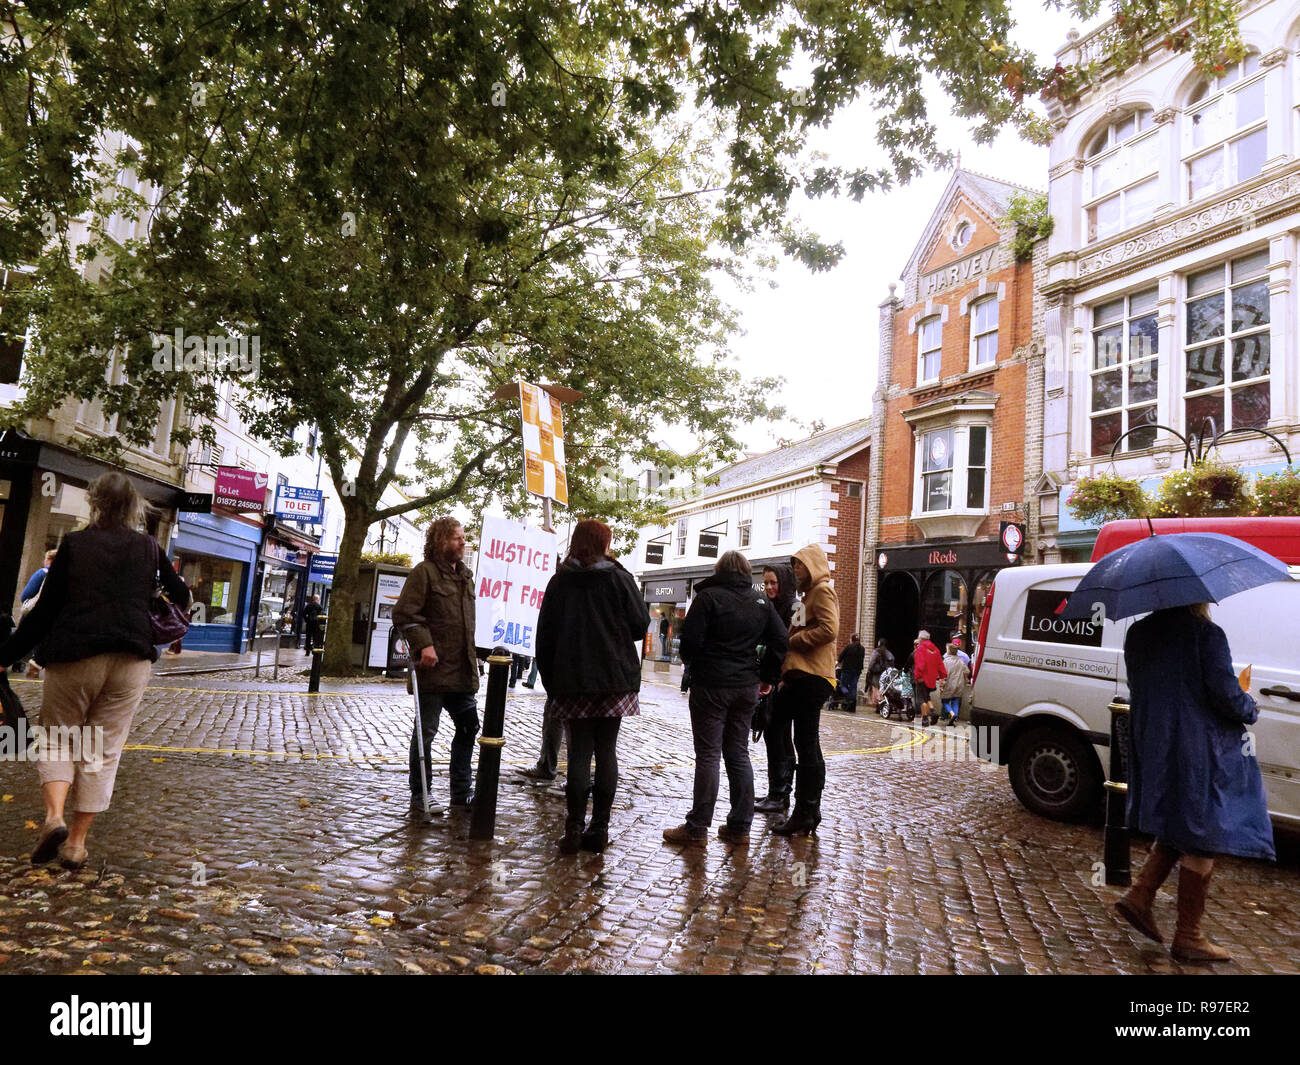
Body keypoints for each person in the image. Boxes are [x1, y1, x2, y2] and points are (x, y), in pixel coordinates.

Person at [0, 472, 190, 871]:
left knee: (57, 737)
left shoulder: (75, 544)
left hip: (76, 654)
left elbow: (44, 611)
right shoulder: (149, 547)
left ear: (95, 502)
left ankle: (54, 818)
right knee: (102, 749)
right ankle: (76, 845)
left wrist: (7, 653)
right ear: (133, 507)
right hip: (131, 659)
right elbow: (184, 595)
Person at [1114, 602, 1274, 963]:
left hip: (1154, 740)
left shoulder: (1139, 633)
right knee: (1204, 831)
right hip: (1196, 744)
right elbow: (1225, 695)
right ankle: (1189, 935)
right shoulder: (1205, 634)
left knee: (1179, 818)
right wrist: (1249, 706)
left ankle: (1140, 895)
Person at [535, 520, 649, 854]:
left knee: (580, 753)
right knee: (607, 751)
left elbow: (545, 635)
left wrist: (551, 681)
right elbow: (640, 625)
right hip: (614, 680)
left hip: (572, 681)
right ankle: (599, 829)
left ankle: (572, 830)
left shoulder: (560, 582)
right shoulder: (619, 578)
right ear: (604, 543)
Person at [663, 551, 788, 847]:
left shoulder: (708, 598)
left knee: (708, 754)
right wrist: (767, 676)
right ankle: (740, 826)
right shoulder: (760, 602)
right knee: (738, 752)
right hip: (745, 686)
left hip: (711, 685)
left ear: (720, 570)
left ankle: (697, 827)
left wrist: (697, 663)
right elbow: (781, 640)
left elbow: (690, 643)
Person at [392, 516, 480, 812]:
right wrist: (423, 643)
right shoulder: (424, 574)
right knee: (426, 732)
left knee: (469, 726)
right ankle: (421, 794)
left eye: (463, 537)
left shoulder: (466, 577)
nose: (462, 542)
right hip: (432, 670)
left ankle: (461, 790)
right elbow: (405, 615)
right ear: (441, 541)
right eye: (457, 537)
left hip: (461, 670)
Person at [768, 544, 839, 837]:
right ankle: (806, 809)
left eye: (799, 565)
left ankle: (804, 809)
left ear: (811, 566)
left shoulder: (822, 591)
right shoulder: (806, 596)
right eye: (794, 565)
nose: (795, 569)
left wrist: (794, 645)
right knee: (804, 741)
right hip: (802, 675)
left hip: (813, 676)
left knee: (805, 742)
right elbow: (791, 633)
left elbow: (829, 629)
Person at [755, 564, 797, 814]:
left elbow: (794, 642)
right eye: (766, 583)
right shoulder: (768, 606)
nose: (769, 587)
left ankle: (781, 794)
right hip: (771, 678)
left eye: (773, 582)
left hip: (784, 681)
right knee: (774, 735)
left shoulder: (796, 607)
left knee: (780, 736)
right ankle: (776, 791)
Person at [911, 629, 947, 727]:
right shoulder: (935, 649)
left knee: (921, 699)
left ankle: (925, 718)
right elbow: (940, 664)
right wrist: (942, 676)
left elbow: (920, 665)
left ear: (921, 638)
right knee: (927, 697)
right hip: (931, 678)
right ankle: (933, 711)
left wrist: (917, 676)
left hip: (922, 677)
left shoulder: (920, 649)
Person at [832, 633, 866, 713]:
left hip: (847, 670)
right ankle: (852, 705)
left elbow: (841, 657)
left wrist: (836, 664)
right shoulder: (862, 649)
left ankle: (848, 698)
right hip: (857, 671)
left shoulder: (849, 647)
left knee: (842, 685)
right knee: (853, 687)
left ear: (851, 639)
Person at [939, 641, 969, 725]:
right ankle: (955, 716)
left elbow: (943, 674)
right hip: (959, 685)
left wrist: (941, 684)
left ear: (949, 651)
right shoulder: (961, 661)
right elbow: (967, 671)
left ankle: (952, 714)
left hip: (949, 684)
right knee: (955, 701)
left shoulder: (946, 661)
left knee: (945, 701)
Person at [864, 638, 894, 709]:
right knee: (883, 689)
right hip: (886, 674)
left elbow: (872, 663)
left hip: (876, 673)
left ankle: (879, 704)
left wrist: (869, 670)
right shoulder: (889, 653)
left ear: (879, 643)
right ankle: (882, 704)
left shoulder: (876, 652)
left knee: (876, 688)